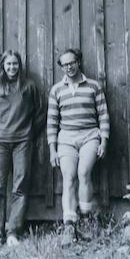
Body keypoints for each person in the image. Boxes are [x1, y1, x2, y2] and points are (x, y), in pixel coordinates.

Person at [0, 50, 45, 248]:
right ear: (2, 66)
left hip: (23, 142)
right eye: (8, 64)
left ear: (20, 66)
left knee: (20, 187)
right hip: (0, 142)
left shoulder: (29, 87)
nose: (12, 68)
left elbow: (40, 112)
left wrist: (29, 132)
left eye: (15, 64)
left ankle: (13, 232)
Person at [47, 48, 109, 244]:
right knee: (69, 177)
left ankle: (86, 220)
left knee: (83, 173)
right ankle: (69, 225)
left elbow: (103, 115)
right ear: (61, 67)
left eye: (72, 63)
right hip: (66, 138)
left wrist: (104, 140)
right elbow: (52, 121)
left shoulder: (93, 86)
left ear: (78, 62)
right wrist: (52, 149)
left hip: (90, 135)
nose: (69, 67)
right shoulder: (57, 89)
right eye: (64, 64)